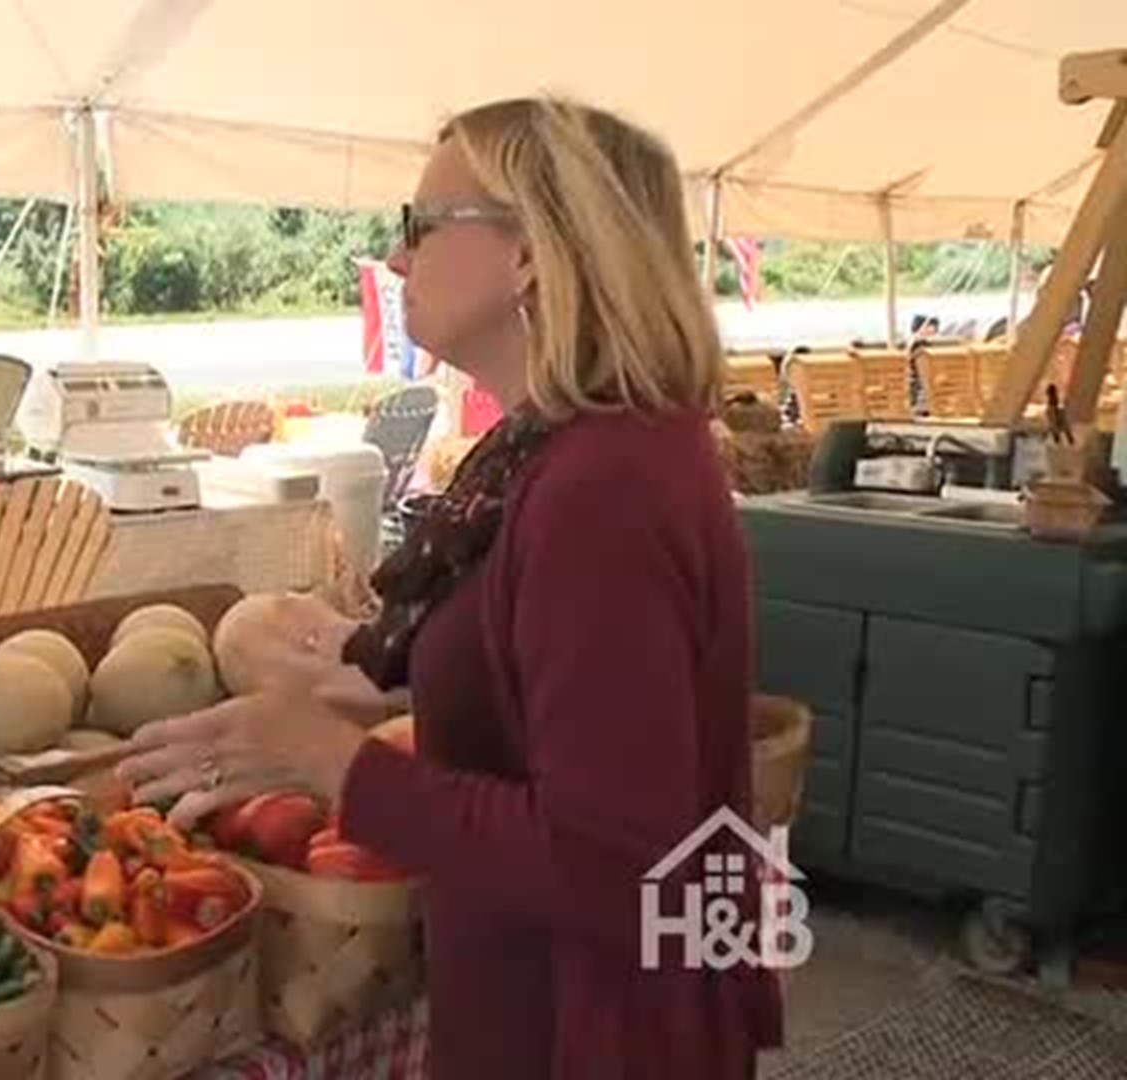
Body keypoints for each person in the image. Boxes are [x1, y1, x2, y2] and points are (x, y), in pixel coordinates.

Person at [118, 98, 782, 1079]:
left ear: (531, 254)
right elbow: (558, 695)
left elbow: (612, 858)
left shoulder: (603, 488)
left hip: (589, 1031)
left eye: (419, 227)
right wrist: (388, 675)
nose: (395, 261)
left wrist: (333, 760)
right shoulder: (574, 451)